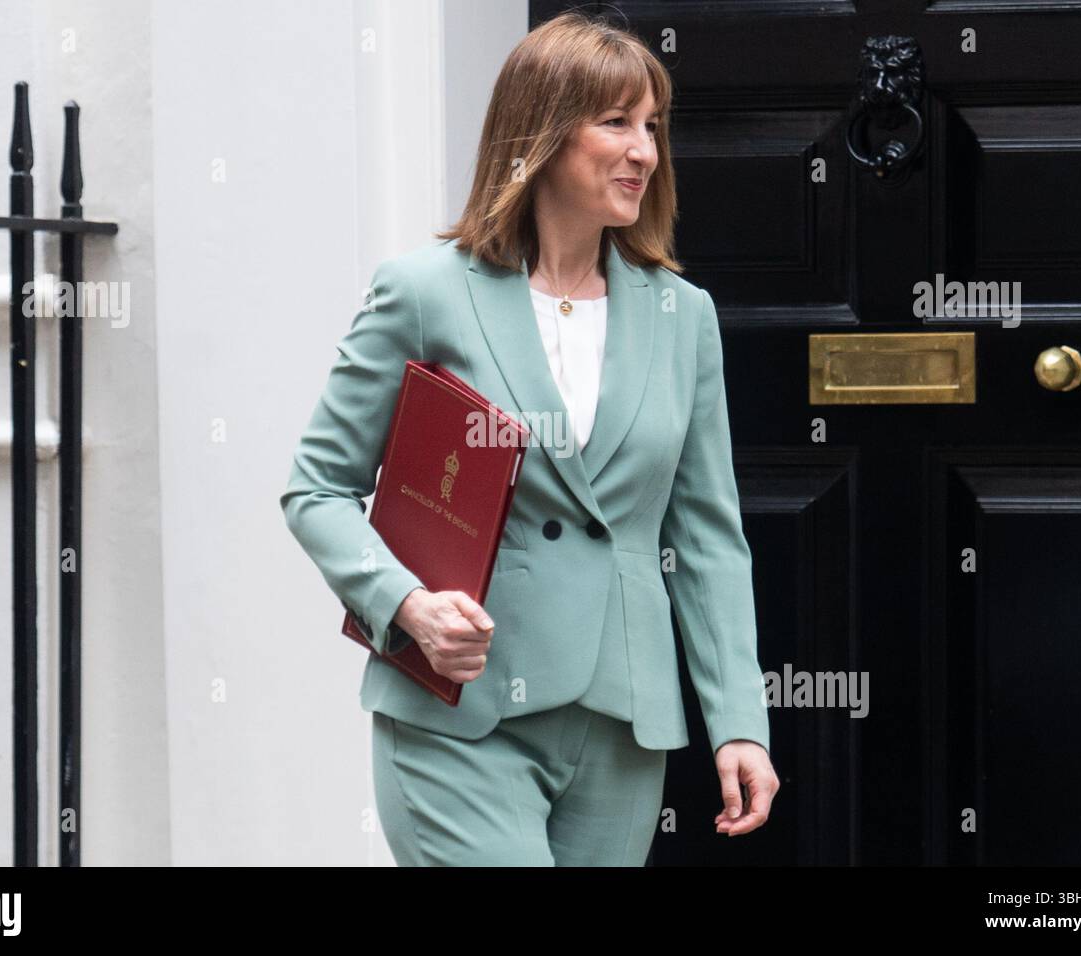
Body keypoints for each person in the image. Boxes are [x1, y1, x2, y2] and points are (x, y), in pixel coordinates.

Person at [279, 9, 778, 866]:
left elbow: (706, 536)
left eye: (651, 127)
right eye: (615, 122)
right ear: (540, 134)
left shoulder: (680, 316)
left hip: (620, 724)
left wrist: (739, 719)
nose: (644, 152)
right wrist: (406, 604)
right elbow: (315, 489)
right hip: (459, 714)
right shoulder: (425, 293)